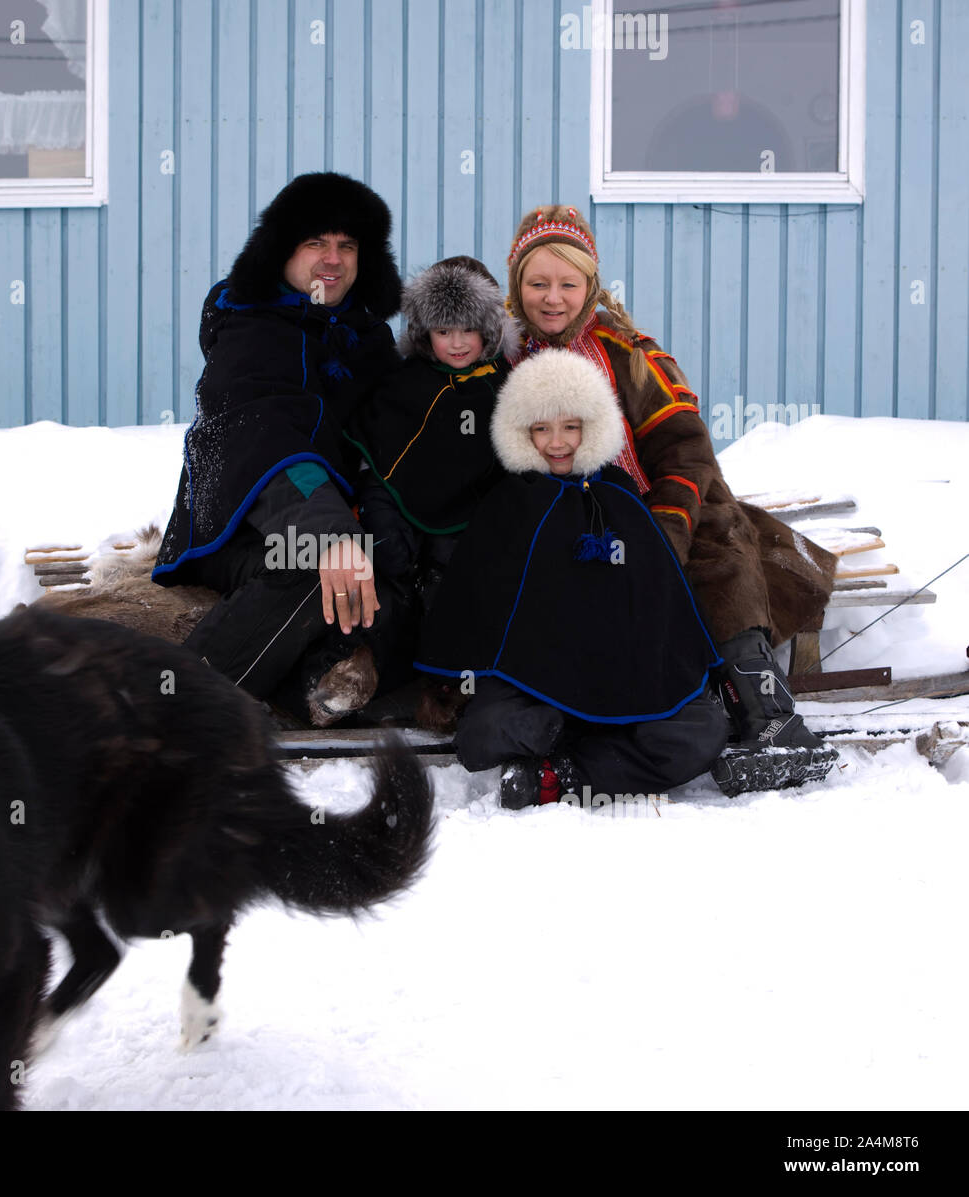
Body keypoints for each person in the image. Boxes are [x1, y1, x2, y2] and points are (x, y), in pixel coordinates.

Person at [503, 205, 837, 794]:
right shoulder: (506, 361)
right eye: (538, 283)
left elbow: (686, 453)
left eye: (566, 284)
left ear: (589, 287)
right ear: (517, 287)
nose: (552, 298)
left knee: (716, 561)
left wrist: (664, 531)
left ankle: (772, 720)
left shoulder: (630, 356)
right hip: (575, 517)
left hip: (669, 500)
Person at [415, 349, 729, 808]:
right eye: (541, 428)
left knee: (701, 734)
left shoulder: (620, 499)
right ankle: (571, 746)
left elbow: (658, 596)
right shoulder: (509, 503)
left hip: (626, 675)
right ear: (522, 432)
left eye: (571, 426)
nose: (557, 442)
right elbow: (480, 598)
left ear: (593, 426)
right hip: (533, 678)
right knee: (483, 735)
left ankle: (558, 776)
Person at [152, 172, 403, 725]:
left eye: (347, 245)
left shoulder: (365, 339)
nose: (331, 259)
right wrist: (330, 533)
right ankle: (174, 710)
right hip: (238, 529)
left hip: (338, 519)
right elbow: (269, 439)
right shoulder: (250, 335)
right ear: (282, 251)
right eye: (314, 242)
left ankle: (313, 691)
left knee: (400, 568)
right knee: (310, 563)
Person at [341, 256, 519, 709]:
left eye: (468, 330)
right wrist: (379, 504)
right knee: (389, 569)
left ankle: (456, 680)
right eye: (443, 331)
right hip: (399, 509)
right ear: (425, 335)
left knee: (456, 574)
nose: (456, 343)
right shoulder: (407, 384)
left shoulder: (504, 386)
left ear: (490, 330)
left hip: (471, 519)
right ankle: (379, 676)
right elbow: (378, 452)